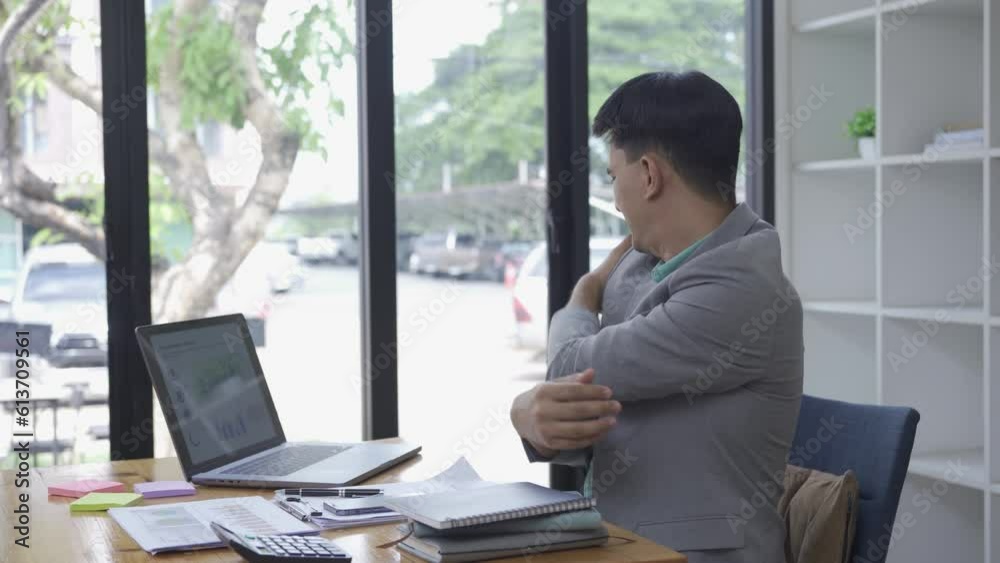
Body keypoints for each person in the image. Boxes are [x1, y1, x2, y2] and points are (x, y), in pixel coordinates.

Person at [510, 71, 803, 563]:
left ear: (648, 175)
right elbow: (592, 412)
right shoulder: (646, 266)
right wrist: (529, 417)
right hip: (616, 541)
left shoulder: (740, 291)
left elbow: (567, 365)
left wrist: (583, 294)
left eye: (613, 177)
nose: (617, 201)